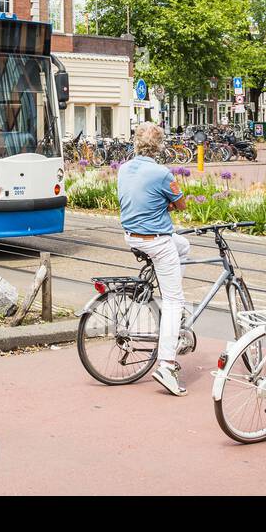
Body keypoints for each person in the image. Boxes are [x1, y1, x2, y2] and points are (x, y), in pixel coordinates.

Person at [117, 122, 190, 397]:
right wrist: (168, 203)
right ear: (159, 147)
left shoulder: (124, 168)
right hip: (156, 240)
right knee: (174, 301)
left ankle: (165, 284)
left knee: (184, 246)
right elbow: (181, 204)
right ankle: (167, 366)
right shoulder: (161, 172)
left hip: (132, 236)